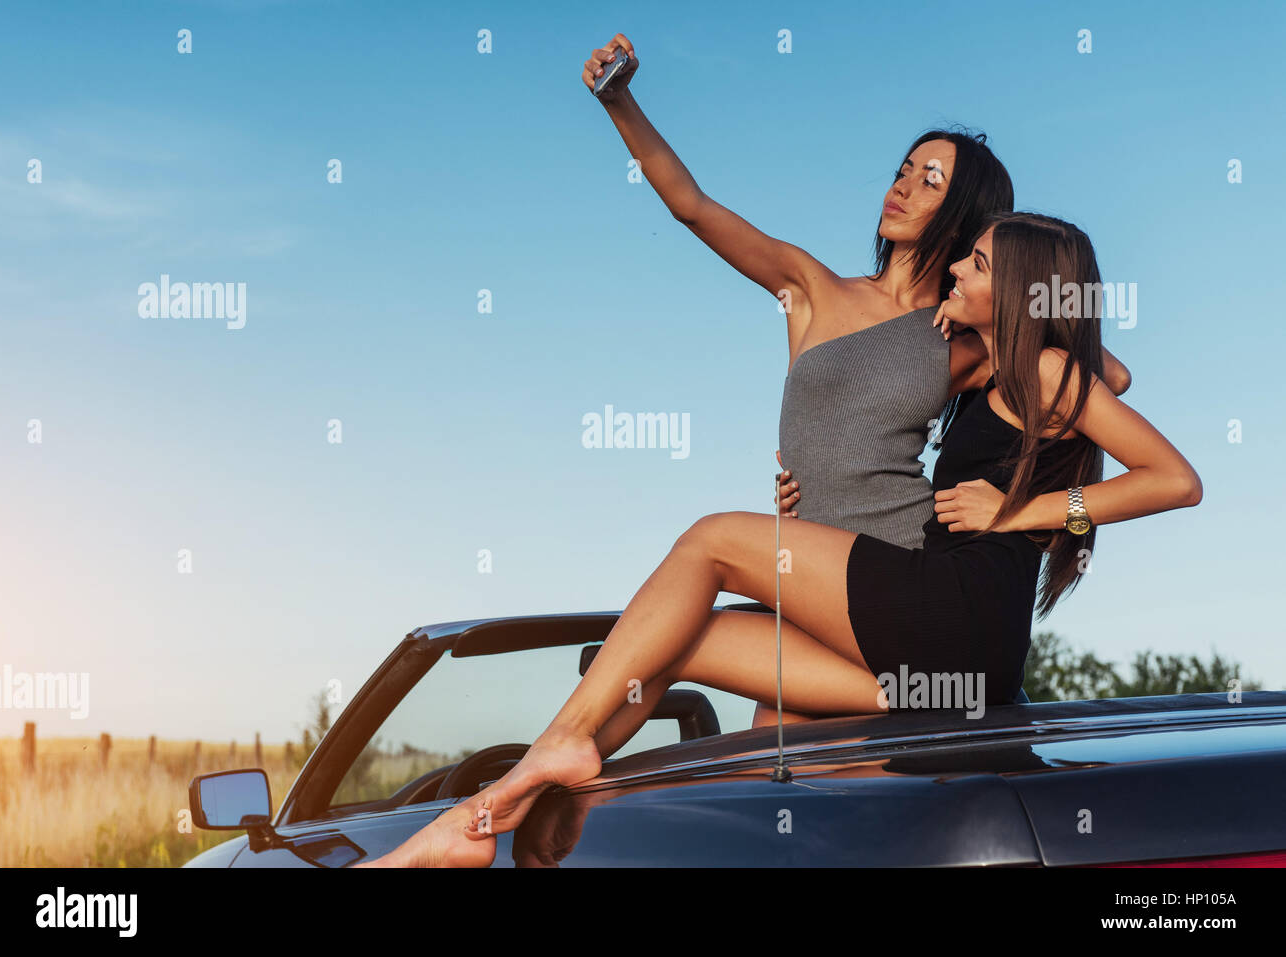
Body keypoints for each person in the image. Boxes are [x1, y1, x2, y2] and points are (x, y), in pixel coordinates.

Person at [356, 211, 1202, 867]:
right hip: (952, 651)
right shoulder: (1032, 367)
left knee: (713, 542)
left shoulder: (1047, 374)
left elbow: (1173, 480)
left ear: (1020, 287)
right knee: (694, 639)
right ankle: (499, 812)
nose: (953, 266)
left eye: (977, 263)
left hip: (956, 609)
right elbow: (1112, 369)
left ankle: (553, 753)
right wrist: (992, 316)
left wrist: (1016, 514)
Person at [566, 33, 1131, 723]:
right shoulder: (809, 288)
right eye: (905, 167)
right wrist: (620, 102)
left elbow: (1109, 374)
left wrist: (1004, 305)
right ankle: (553, 808)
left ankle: (537, 782)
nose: (902, 185)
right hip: (805, 567)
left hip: (903, 569)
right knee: (766, 778)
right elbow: (692, 204)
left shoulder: (963, 338)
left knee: (753, 725)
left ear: (964, 216)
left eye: (931, 180)